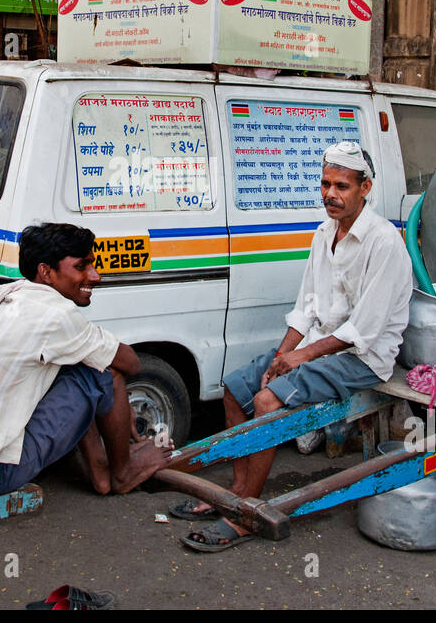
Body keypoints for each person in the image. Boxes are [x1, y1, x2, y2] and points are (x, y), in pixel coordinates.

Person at [176, 140, 413, 552]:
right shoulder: (324, 234)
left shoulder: (384, 242)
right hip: (320, 346)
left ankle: (246, 514)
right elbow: (306, 309)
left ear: (365, 188)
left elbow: (364, 330)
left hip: (362, 358)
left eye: (341, 186)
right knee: (236, 388)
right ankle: (235, 491)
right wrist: (280, 357)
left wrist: (299, 357)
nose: (330, 194)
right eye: (325, 184)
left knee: (267, 401)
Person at [0, 222, 172, 496]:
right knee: (105, 373)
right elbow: (131, 363)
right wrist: (118, 405)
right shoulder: (57, 316)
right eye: (81, 266)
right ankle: (123, 472)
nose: (95, 276)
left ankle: (99, 468)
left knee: (80, 360)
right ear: (46, 272)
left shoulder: (3, 294)